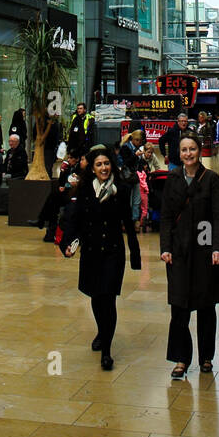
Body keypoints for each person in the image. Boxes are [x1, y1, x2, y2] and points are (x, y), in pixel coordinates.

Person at [160, 130, 219, 376]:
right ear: (178, 154)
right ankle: (181, 358)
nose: (188, 153)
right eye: (184, 150)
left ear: (199, 151)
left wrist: (217, 248)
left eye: (192, 149)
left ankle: (206, 357)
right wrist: (165, 248)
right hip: (179, 252)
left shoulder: (210, 179)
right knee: (179, 306)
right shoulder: (172, 178)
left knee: (205, 305)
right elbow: (167, 216)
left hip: (204, 251)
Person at [61, 144, 141, 370]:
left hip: (114, 251)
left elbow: (128, 223)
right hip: (92, 251)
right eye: (99, 165)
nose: (104, 168)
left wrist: (135, 253)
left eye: (106, 163)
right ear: (93, 168)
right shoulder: (85, 190)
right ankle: (101, 331)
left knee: (109, 298)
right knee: (96, 297)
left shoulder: (121, 189)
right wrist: (67, 244)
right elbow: (74, 219)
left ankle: (107, 349)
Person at [118, 130, 143, 229]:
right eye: (139, 141)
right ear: (135, 140)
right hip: (126, 177)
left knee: (136, 199)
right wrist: (135, 156)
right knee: (129, 199)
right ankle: (127, 220)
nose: (140, 143)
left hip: (133, 176)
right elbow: (126, 162)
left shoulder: (135, 148)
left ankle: (135, 220)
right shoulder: (125, 148)